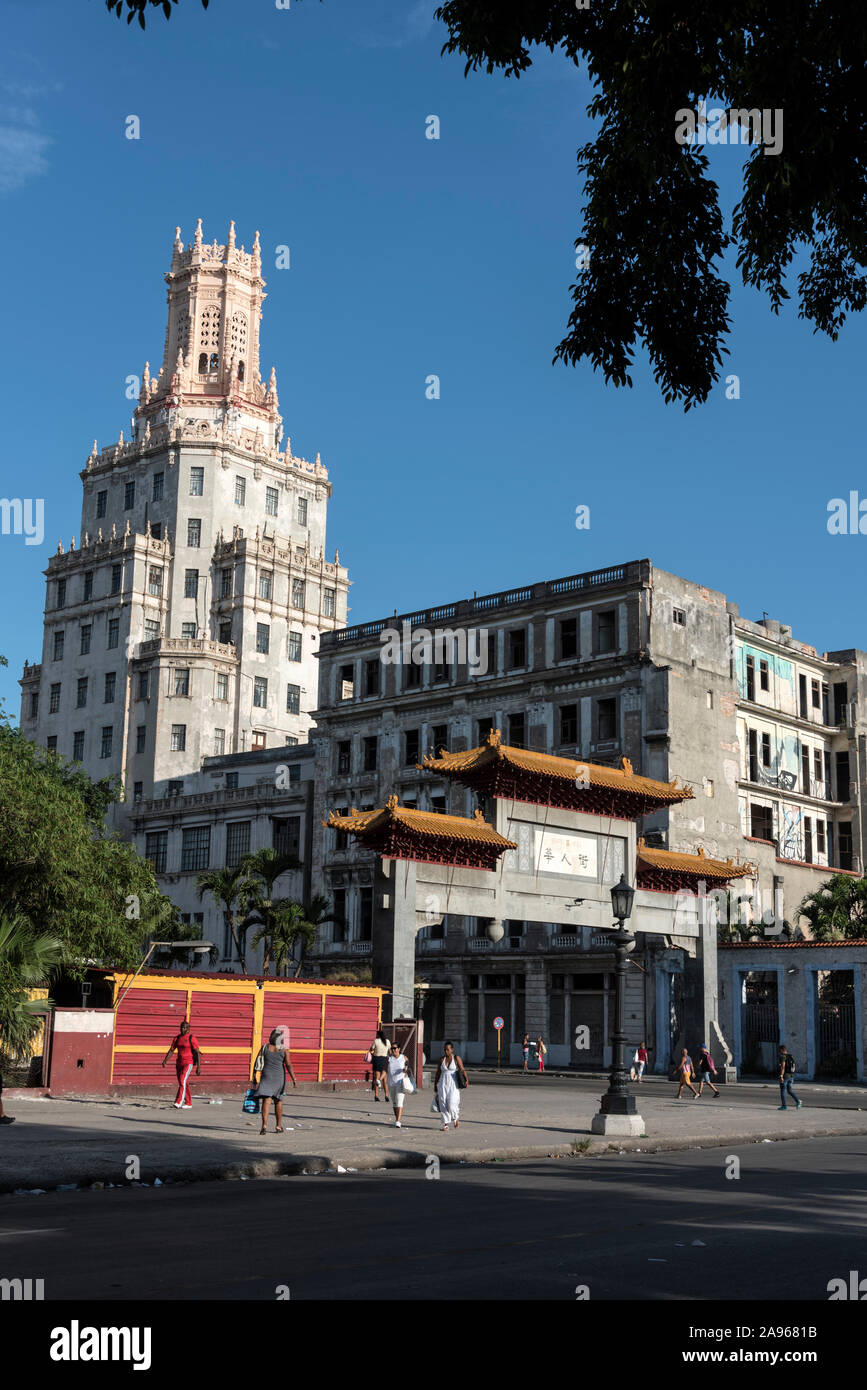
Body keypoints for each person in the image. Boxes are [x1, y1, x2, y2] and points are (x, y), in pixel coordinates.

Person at [254, 1029, 297, 1134]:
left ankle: (264, 1126)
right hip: (279, 1078)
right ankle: (278, 1126)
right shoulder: (284, 1049)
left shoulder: (264, 1047)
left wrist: (254, 1076)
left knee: (266, 1100)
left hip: (266, 1076)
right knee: (278, 1101)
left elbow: (257, 1062)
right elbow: (289, 1065)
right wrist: (294, 1079)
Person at [162, 1019, 201, 1108]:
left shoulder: (192, 1038)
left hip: (188, 1063)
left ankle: (178, 1101)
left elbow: (197, 1053)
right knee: (183, 1082)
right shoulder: (177, 1038)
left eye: (184, 1028)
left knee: (182, 1080)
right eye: (181, 1027)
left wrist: (199, 1067)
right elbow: (171, 1050)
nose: (182, 1029)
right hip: (179, 1063)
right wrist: (165, 1060)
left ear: (188, 1029)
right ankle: (188, 1103)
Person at [435, 1041, 468, 1130]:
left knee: (452, 1103)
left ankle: (455, 1117)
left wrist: (466, 1079)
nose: (446, 1051)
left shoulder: (456, 1058)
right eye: (445, 1050)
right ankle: (445, 1124)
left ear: (452, 1050)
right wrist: (435, 1084)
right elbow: (438, 1072)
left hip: (453, 1084)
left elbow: (462, 1069)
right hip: (443, 1083)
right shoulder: (442, 1059)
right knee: (443, 1103)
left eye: (448, 1050)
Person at [387, 1042, 412, 1128]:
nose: (393, 1050)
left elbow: (408, 1067)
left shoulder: (403, 1058)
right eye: (392, 1048)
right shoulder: (389, 1059)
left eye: (394, 1048)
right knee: (394, 1103)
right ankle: (396, 1118)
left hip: (400, 1083)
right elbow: (385, 1070)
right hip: (391, 1083)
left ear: (399, 1049)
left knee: (399, 1101)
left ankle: (398, 1121)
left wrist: (406, 1070)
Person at [368, 1029, 390, 1102]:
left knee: (376, 1078)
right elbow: (389, 1051)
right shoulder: (387, 1041)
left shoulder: (376, 1041)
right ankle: (386, 1095)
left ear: (378, 1035)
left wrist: (372, 1052)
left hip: (377, 1059)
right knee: (384, 1079)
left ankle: (376, 1096)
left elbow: (371, 1049)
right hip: (384, 1060)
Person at [778, 1045, 803, 1110]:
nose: (779, 1052)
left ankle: (784, 1106)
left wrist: (781, 1076)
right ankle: (798, 1101)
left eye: (779, 1050)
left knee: (782, 1091)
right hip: (791, 1076)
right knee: (789, 1091)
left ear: (781, 1050)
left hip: (785, 1076)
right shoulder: (791, 1056)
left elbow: (783, 1067)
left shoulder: (783, 1057)